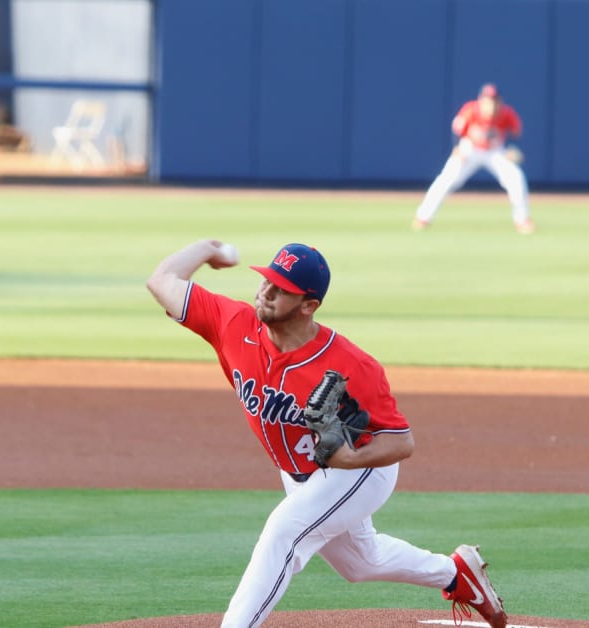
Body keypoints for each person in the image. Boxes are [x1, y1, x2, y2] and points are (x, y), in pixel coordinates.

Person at [147, 240, 509, 628]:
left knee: (283, 533)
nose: (266, 291)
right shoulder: (234, 324)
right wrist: (208, 248)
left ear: (308, 305)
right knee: (361, 562)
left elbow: (402, 441)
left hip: (360, 470)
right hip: (301, 473)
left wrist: (350, 459)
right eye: (267, 280)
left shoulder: (352, 363)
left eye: (280, 288)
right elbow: (162, 280)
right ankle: (457, 574)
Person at [413, 83, 535, 234]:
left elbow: (516, 133)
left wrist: (512, 148)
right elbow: (457, 129)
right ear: (481, 100)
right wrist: (457, 147)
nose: (491, 103)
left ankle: (522, 220)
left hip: (495, 152)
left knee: (516, 178)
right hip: (470, 149)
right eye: (488, 100)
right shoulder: (471, 109)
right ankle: (423, 217)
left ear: (500, 101)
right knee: (446, 179)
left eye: (494, 100)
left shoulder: (506, 113)